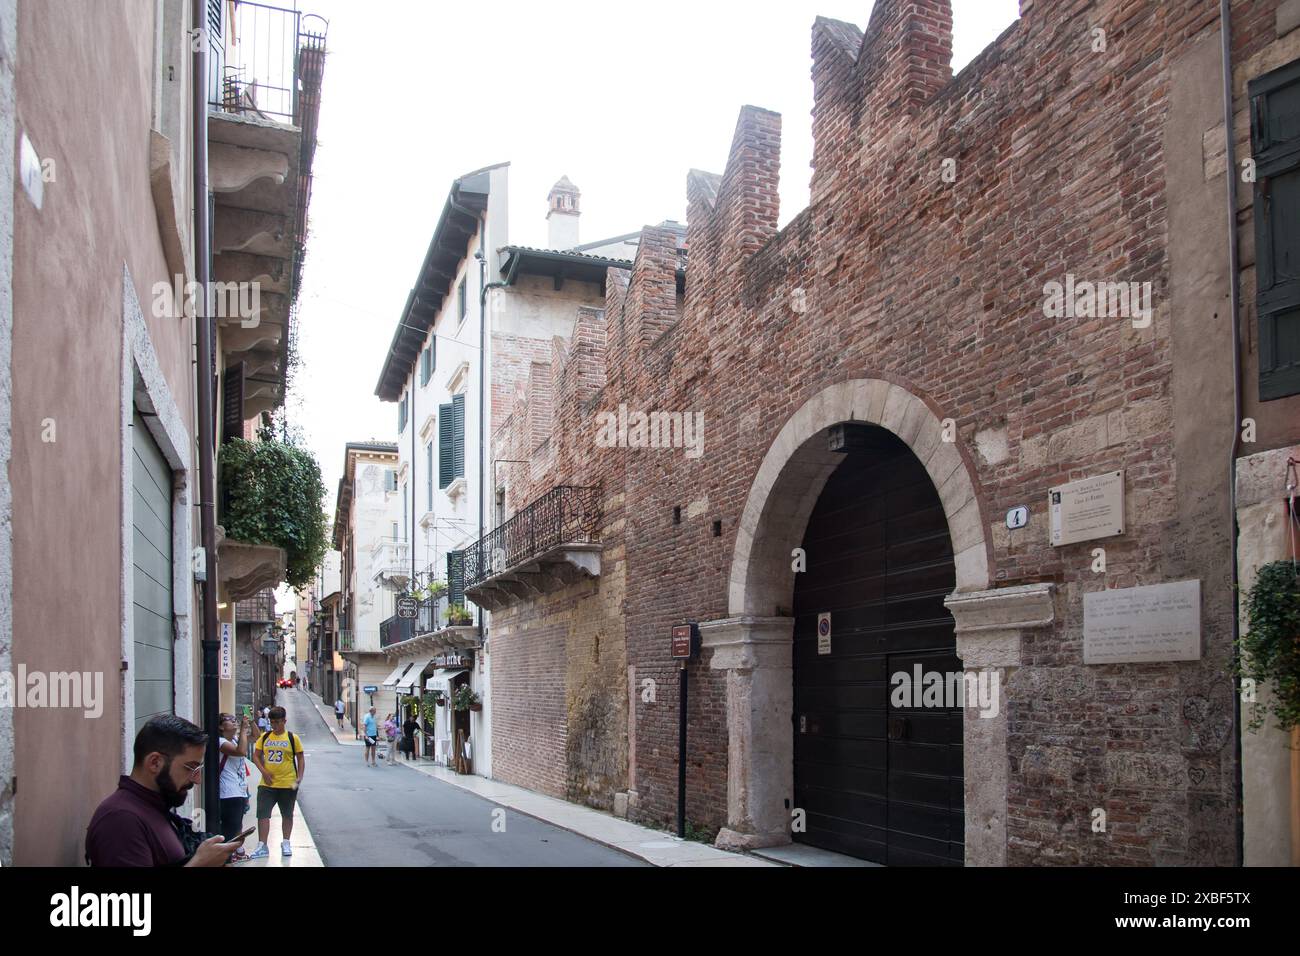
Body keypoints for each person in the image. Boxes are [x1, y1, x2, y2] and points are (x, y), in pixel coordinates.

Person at [85, 714, 240, 867]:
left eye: (198, 768)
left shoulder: (153, 807)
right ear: (155, 763)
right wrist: (200, 863)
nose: (197, 779)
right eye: (191, 768)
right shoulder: (120, 820)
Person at [249, 706, 306, 859]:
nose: (274, 726)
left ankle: (286, 842)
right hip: (267, 784)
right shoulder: (265, 737)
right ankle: (262, 845)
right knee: (263, 814)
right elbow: (256, 755)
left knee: (287, 814)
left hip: (288, 783)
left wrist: (299, 777)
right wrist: (263, 771)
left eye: (277, 722)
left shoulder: (292, 738)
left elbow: (300, 757)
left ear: (284, 721)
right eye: (272, 722)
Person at [217, 713, 254, 862]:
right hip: (228, 792)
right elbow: (241, 752)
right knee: (230, 828)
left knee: (237, 824)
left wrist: (251, 722)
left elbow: (255, 738)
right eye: (229, 720)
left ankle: (236, 853)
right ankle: (226, 857)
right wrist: (244, 730)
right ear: (221, 726)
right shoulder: (220, 742)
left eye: (234, 719)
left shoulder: (233, 739)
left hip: (239, 789)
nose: (234, 722)